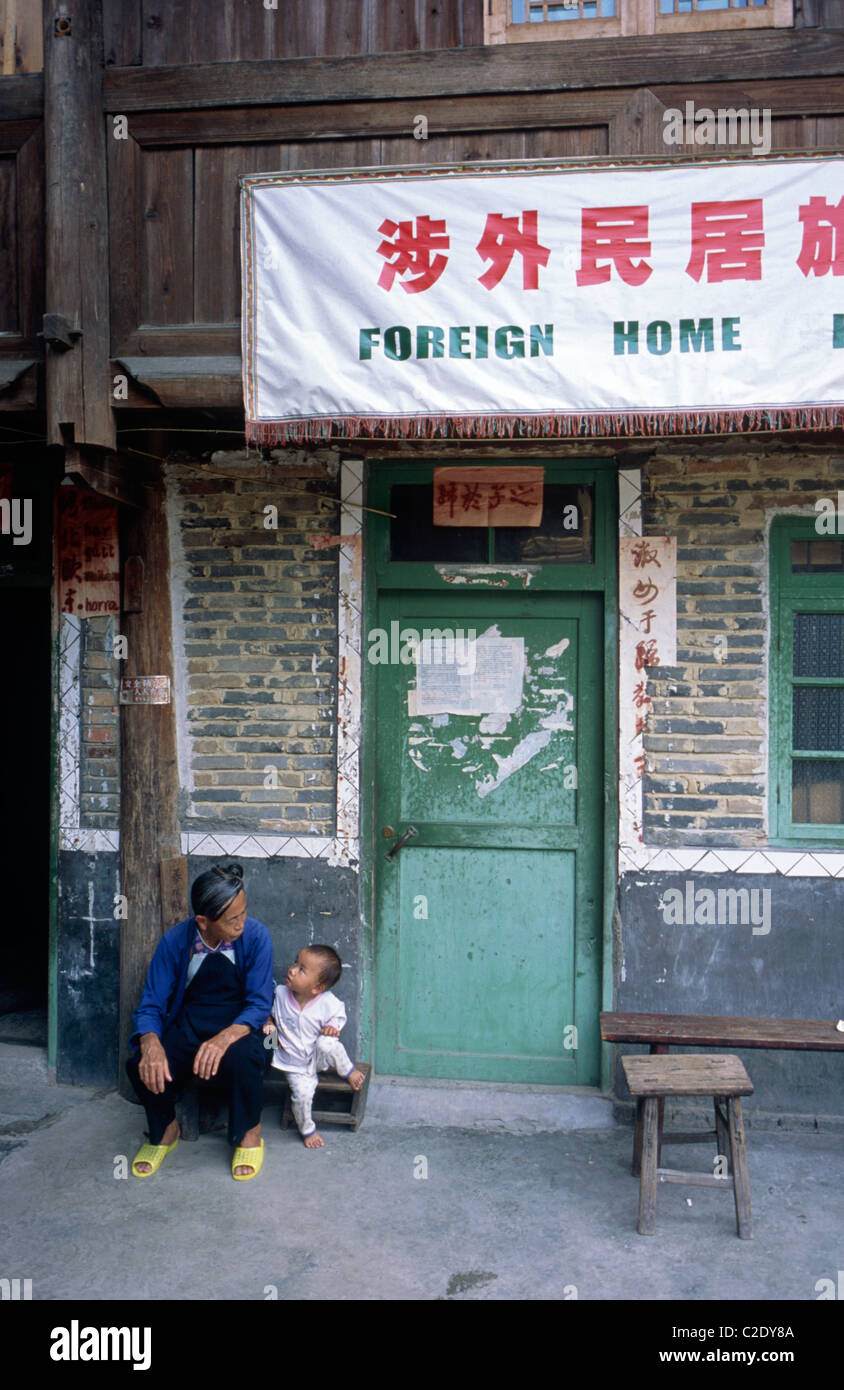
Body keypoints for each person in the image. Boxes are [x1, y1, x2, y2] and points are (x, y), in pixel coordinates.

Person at [126, 864, 274, 1180]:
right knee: (141, 1061)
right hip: (191, 1025)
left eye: (243, 913)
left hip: (241, 1026)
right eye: (232, 919)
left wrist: (225, 1037)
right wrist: (150, 1041)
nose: (241, 923)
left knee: (248, 1057)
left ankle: (250, 1131)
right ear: (203, 922)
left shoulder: (257, 936)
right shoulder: (175, 941)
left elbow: (261, 1003)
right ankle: (166, 1128)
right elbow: (151, 1003)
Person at [263, 945, 364, 1149]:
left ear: (317, 988)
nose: (292, 970)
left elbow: (339, 1014)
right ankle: (307, 1129)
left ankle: (348, 1070)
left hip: (317, 1056)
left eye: (301, 970)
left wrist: (332, 1027)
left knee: (327, 1043)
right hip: (294, 1063)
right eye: (295, 963)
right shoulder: (280, 994)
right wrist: (269, 1023)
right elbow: (269, 1012)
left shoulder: (327, 1002)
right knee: (301, 1097)